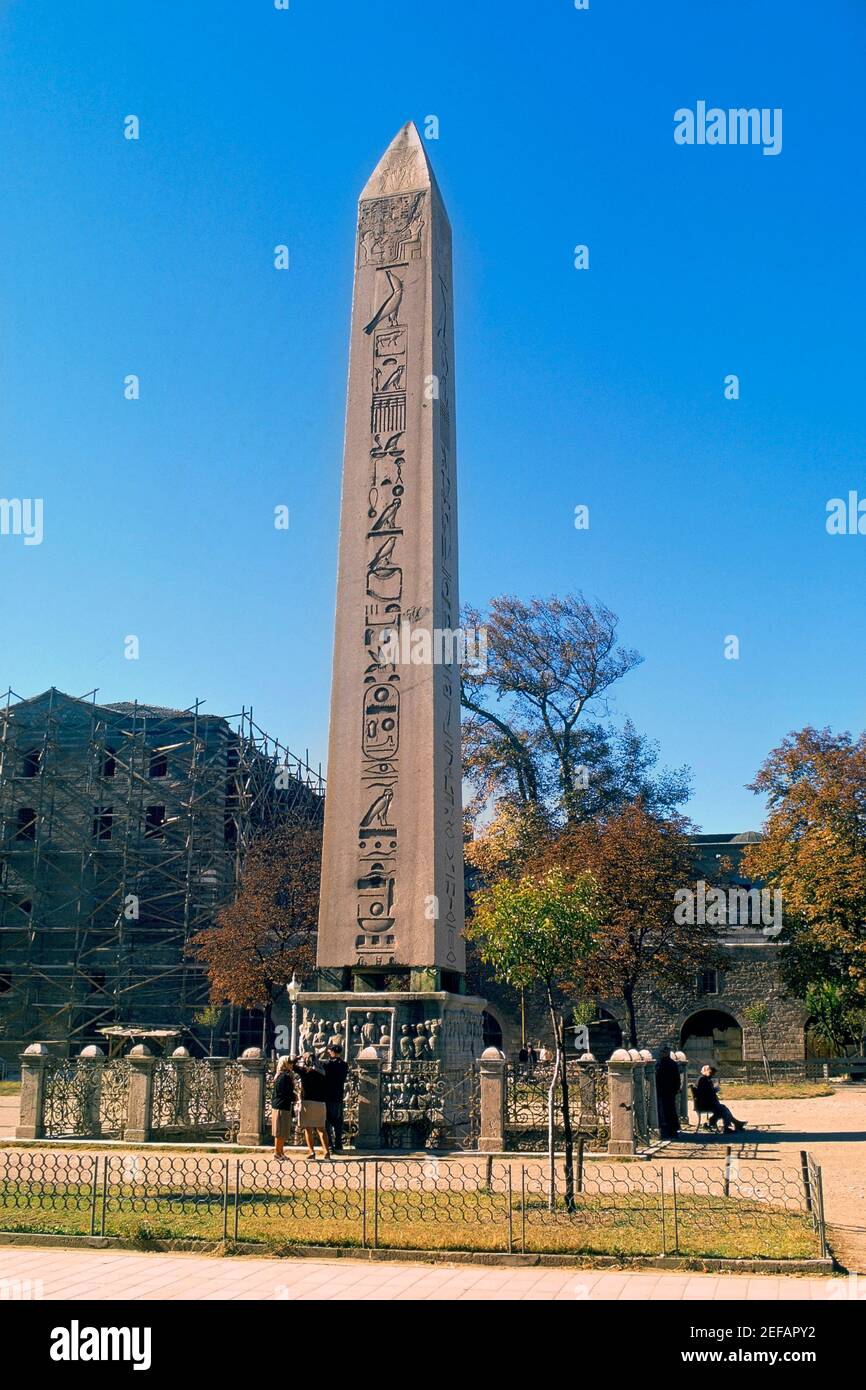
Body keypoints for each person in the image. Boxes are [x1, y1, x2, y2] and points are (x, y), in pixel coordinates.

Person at [295, 1051, 331, 1159]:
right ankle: (326, 1152)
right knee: (321, 1129)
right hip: (320, 1102)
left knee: (308, 1128)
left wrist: (299, 1057)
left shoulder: (304, 1071)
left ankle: (311, 1152)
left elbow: (291, 1064)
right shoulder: (322, 1072)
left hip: (307, 1102)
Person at [694, 1064, 747, 1133]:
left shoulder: (703, 1079)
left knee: (723, 1109)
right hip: (706, 1104)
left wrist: (713, 1090)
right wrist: (715, 1090)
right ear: (706, 1072)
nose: (712, 1075)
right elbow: (706, 1093)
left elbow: (706, 1092)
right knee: (723, 1110)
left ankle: (711, 1123)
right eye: (711, 1073)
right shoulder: (703, 1080)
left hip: (705, 1103)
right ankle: (728, 1127)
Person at [323, 1043, 349, 1153]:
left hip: (328, 1095)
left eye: (330, 1051)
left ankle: (329, 1145)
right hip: (338, 1095)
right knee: (338, 1121)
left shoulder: (327, 1064)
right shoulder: (344, 1064)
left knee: (327, 1121)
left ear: (333, 1052)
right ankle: (339, 1143)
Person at [271, 1055, 296, 1160]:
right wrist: (294, 1096)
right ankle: (277, 1152)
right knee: (280, 1131)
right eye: (290, 1063)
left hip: (282, 1104)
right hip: (281, 1105)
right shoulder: (284, 1077)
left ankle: (280, 1152)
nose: (292, 1064)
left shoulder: (282, 1075)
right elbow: (285, 1092)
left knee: (282, 1131)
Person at [655, 1045, 682, 1139]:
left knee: (666, 1111)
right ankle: (672, 1130)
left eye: (663, 1052)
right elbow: (677, 1079)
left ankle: (669, 1130)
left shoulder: (662, 1064)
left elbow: (659, 1077)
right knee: (670, 1111)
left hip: (664, 1091)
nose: (661, 1054)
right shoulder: (671, 1064)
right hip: (668, 1091)